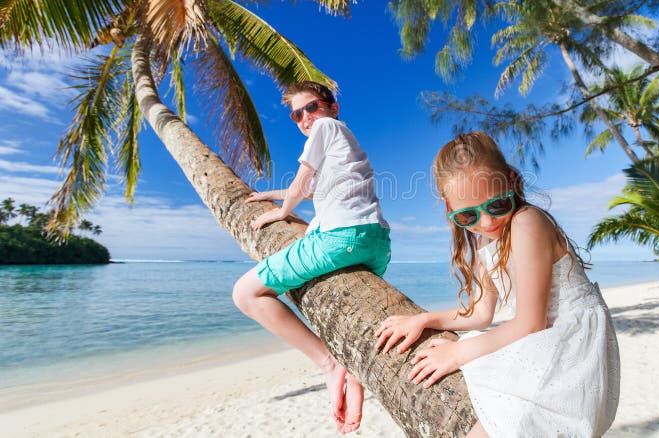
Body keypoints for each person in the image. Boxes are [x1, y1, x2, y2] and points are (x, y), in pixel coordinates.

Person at [374, 132, 619, 437]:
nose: (487, 222)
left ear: (512, 181)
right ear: (448, 206)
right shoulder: (485, 244)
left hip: (572, 346)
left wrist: (457, 353)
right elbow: (480, 314)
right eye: (467, 215)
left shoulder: (527, 221)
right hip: (547, 337)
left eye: (498, 204)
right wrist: (424, 318)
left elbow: (531, 324)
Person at [233, 81, 391, 434]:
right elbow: (311, 189)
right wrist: (269, 196)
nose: (306, 117)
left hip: (343, 238)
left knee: (245, 294)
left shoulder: (326, 127)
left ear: (332, 108)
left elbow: (303, 180)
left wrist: (279, 212)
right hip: (375, 242)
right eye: (296, 114)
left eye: (313, 107)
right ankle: (353, 374)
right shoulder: (341, 143)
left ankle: (329, 364)